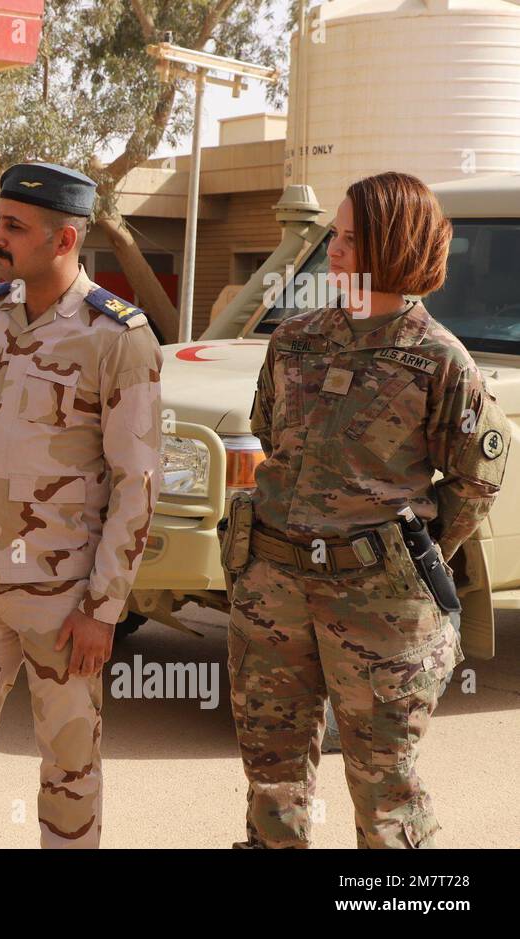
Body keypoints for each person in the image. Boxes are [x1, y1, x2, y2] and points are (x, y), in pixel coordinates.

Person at [225, 170, 511, 848]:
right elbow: (274, 440)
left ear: (393, 243)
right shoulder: (293, 340)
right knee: (272, 778)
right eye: (336, 237)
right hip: (275, 593)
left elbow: (476, 475)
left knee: (385, 789)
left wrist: (406, 547)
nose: (335, 252)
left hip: (378, 609)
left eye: (351, 239)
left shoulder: (439, 358)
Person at [0, 162, 162, 848]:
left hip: (64, 598)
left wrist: (104, 608)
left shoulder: (117, 337)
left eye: (13, 226)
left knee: (69, 768)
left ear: (64, 239)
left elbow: (135, 483)